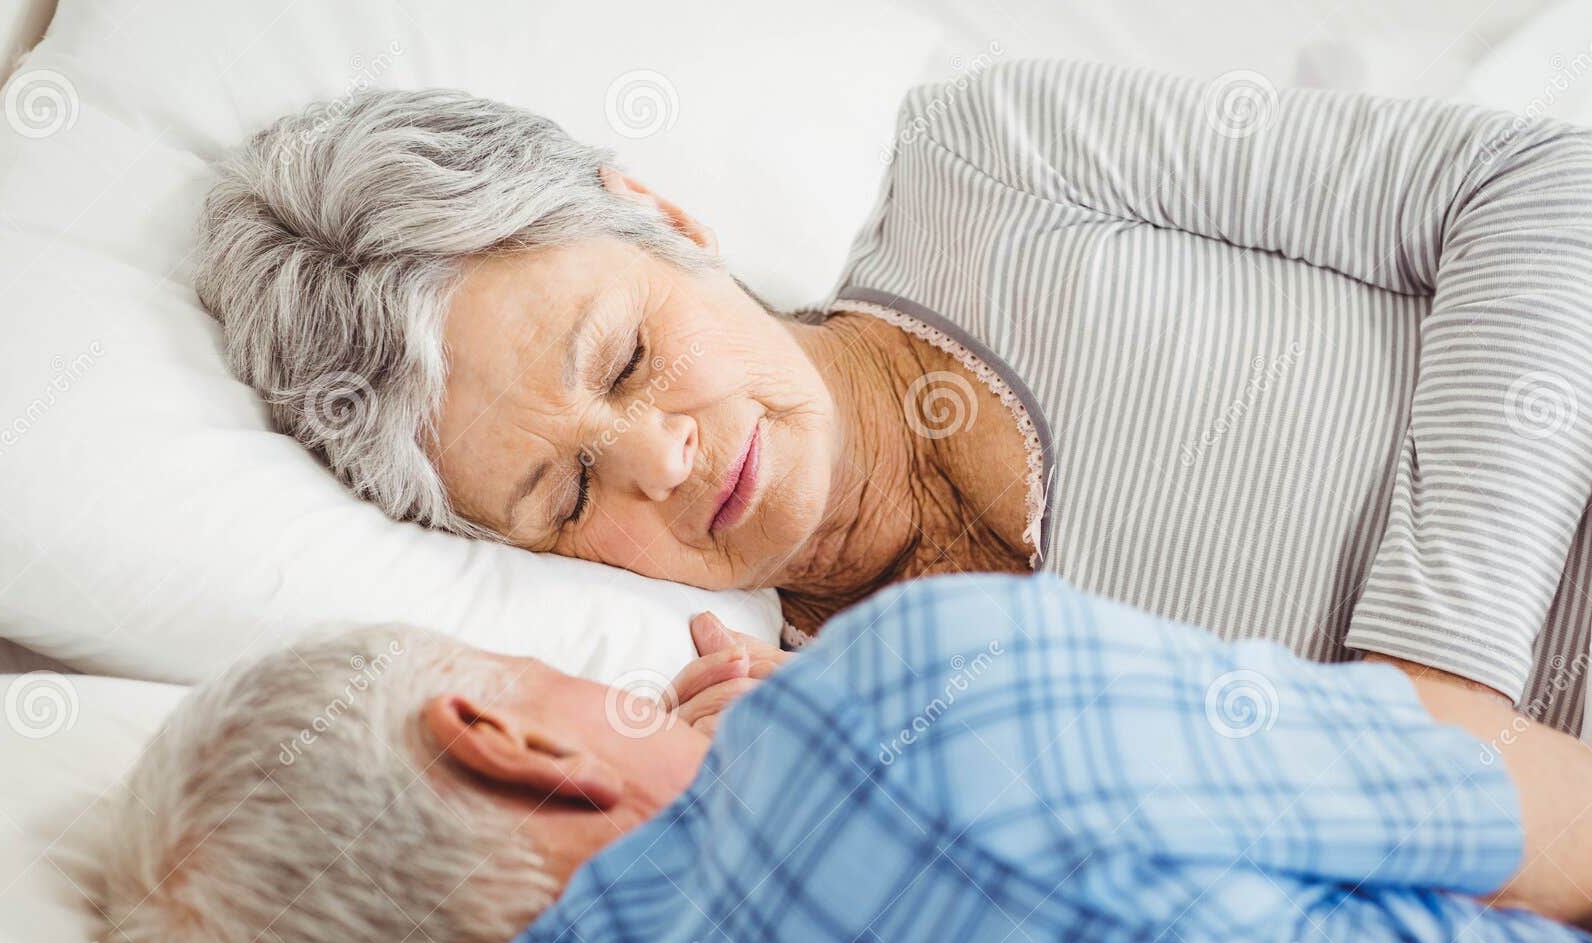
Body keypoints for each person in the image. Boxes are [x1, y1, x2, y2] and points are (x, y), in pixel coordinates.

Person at [197, 65, 1592, 733]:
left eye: (623, 359)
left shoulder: (994, 163)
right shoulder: (818, 728)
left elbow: (1540, 188)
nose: (663, 460)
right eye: (566, 493)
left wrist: (1438, 695)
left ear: (663, 219)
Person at [95, 575, 1592, 943]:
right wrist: (849, 728)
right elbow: (1547, 813)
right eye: (573, 680)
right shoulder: (926, 692)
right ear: (510, 741)